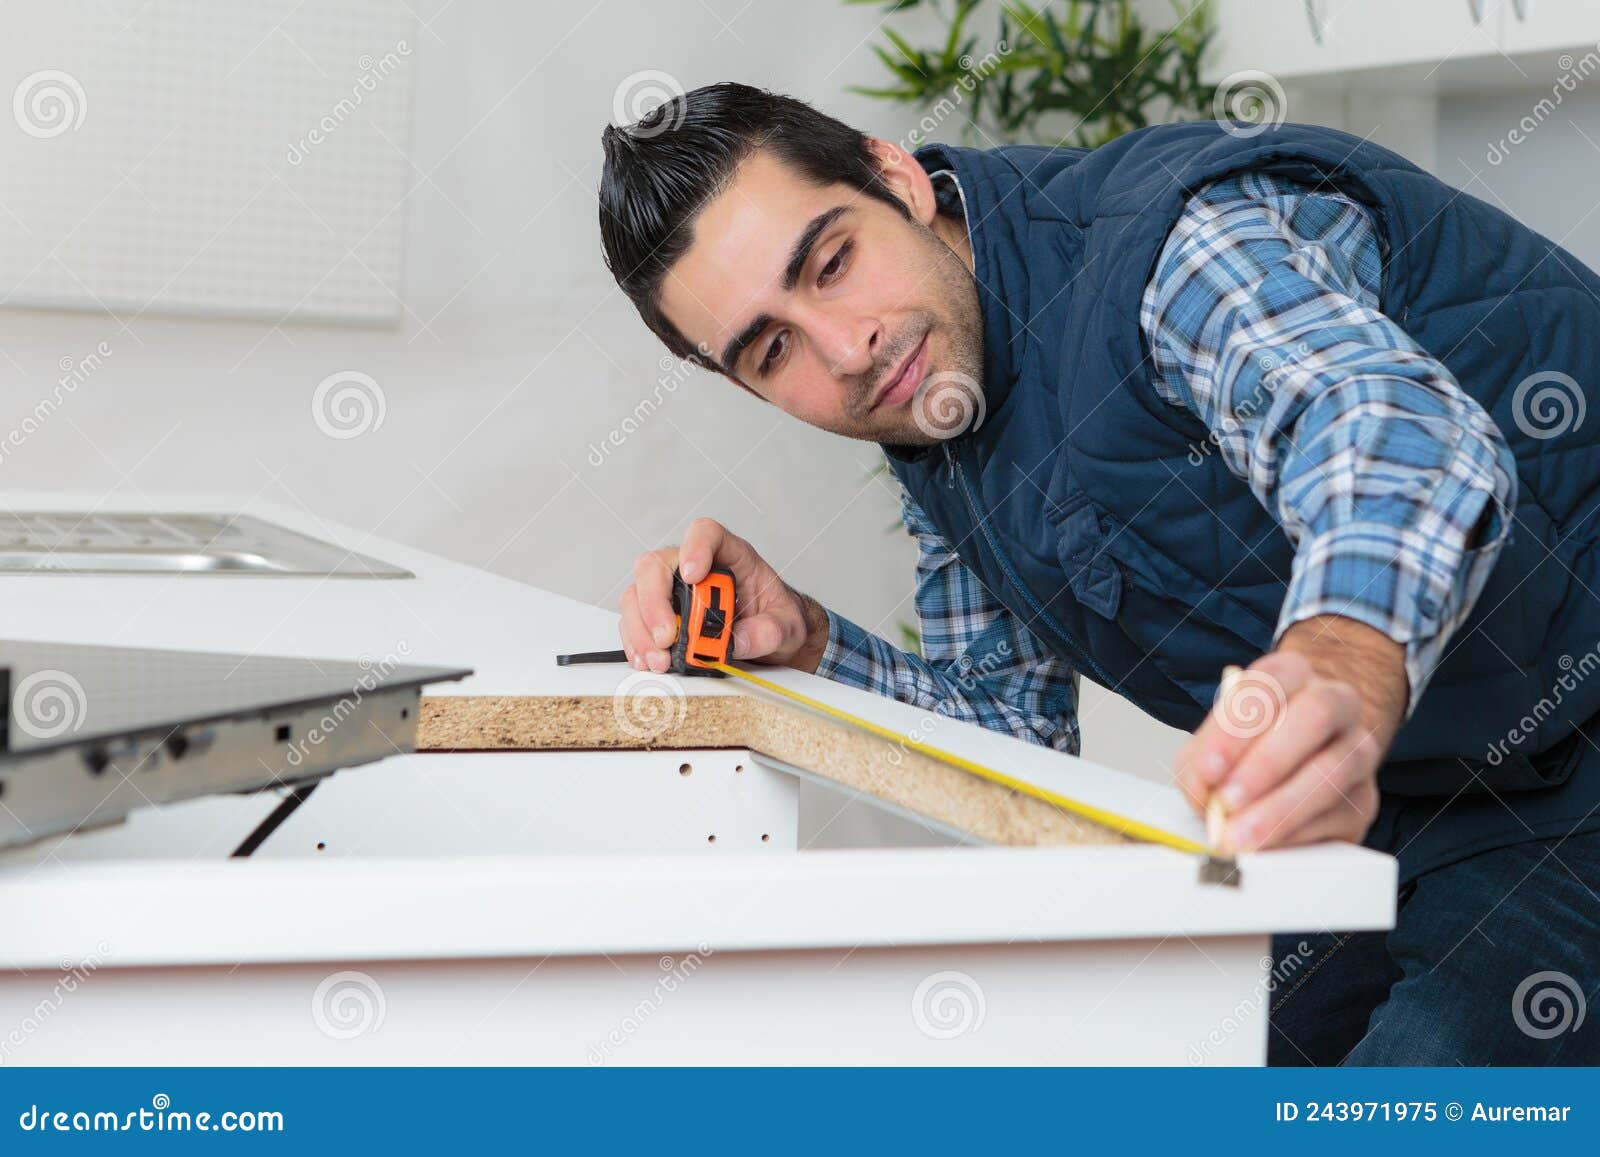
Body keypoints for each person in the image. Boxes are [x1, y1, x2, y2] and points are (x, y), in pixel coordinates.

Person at [596, 82, 1599, 1065]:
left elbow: (1382, 429)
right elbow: (1014, 727)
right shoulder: (936, 414)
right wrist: (810, 642)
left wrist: (1340, 657)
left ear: (894, 175)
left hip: (1571, 748)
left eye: (831, 261)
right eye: (774, 349)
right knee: (1160, 1061)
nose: (844, 346)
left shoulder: (1174, 247)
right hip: (1414, 797)